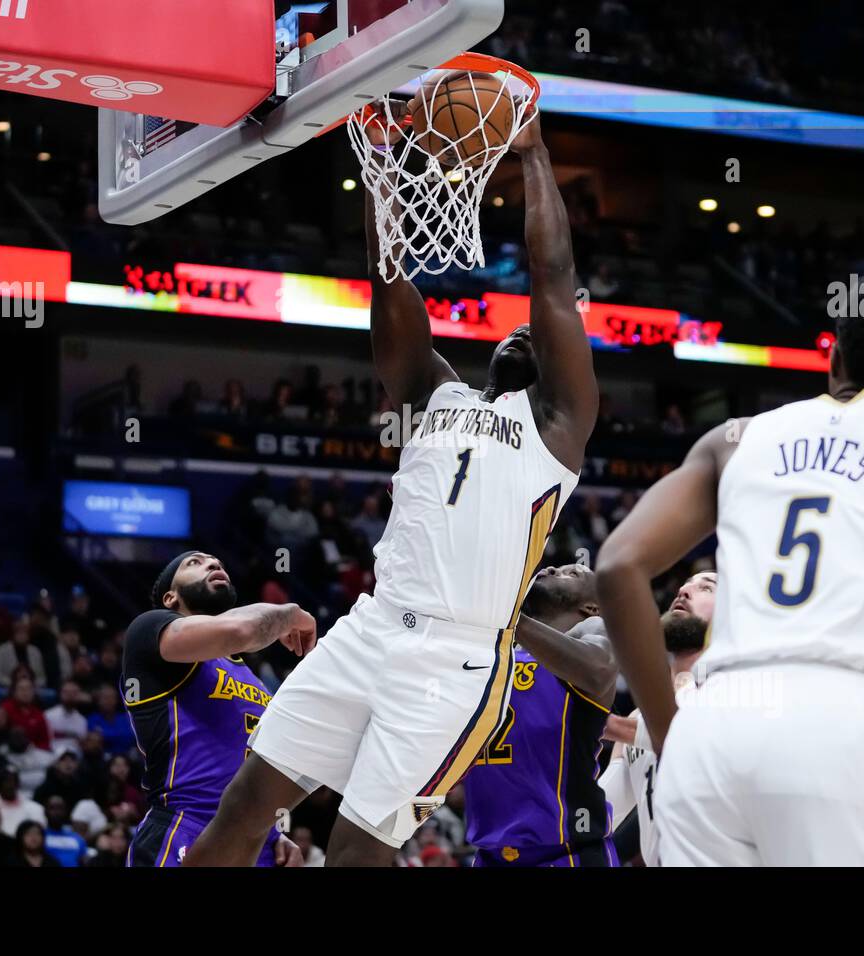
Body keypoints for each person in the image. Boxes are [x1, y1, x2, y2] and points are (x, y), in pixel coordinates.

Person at [189, 107, 597, 867]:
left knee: (354, 852)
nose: (521, 333)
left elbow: (553, 277)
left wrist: (534, 152)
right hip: (372, 627)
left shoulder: (559, 426)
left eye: (536, 334)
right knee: (246, 801)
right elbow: (391, 281)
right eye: (512, 330)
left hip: (456, 663)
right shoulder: (431, 392)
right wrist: (380, 166)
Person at [598, 267, 864, 866]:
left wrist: (671, 736)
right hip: (838, 723)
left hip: (714, 721)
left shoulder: (732, 439)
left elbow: (616, 567)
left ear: (834, 357)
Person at [118, 551, 312, 868]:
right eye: (194, 563)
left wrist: (272, 832)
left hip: (255, 845)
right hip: (186, 828)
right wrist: (288, 614)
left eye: (218, 562)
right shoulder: (150, 630)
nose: (213, 564)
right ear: (170, 597)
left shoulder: (253, 679)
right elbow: (242, 631)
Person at [461, 563, 618, 866]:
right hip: (490, 854)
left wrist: (507, 618)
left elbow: (598, 671)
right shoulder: (493, 648)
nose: (550, 568)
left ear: (591, 606)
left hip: (567, 853)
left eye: (572, 573)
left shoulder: (593, 629)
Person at [600, 571, 716, 866]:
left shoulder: (735, 690)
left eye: (706, 588)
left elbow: (684, 731)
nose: (684, 591)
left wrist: (595, 718)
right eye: (685, 585)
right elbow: (602, 812)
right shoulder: (636, 718)